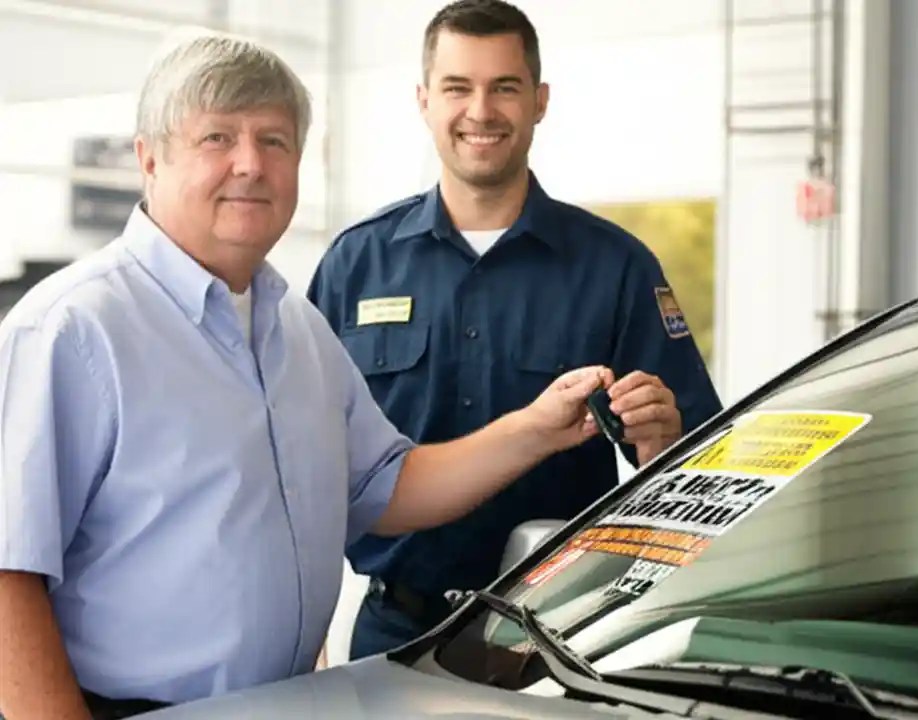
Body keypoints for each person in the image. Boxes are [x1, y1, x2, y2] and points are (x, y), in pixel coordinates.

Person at [0, 33, 617, 720]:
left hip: (289, 703)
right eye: (217, 138)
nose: (250, 165)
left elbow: (387, 487)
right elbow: (7, 571)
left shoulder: (298, 327)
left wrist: (535, 429)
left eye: (275, 140)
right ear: (149, 157)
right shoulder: (73, 329)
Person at [306, 0, 723, 660]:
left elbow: (697, 469)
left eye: (504, 87)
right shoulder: (355, 265)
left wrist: (662, 440)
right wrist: (307, 642)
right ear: (423, 100)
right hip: (393, 633)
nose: (481, 111)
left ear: (539, 100)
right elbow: (308, 472)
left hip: (563, 638)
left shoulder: (615, 267)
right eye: (457, 87)